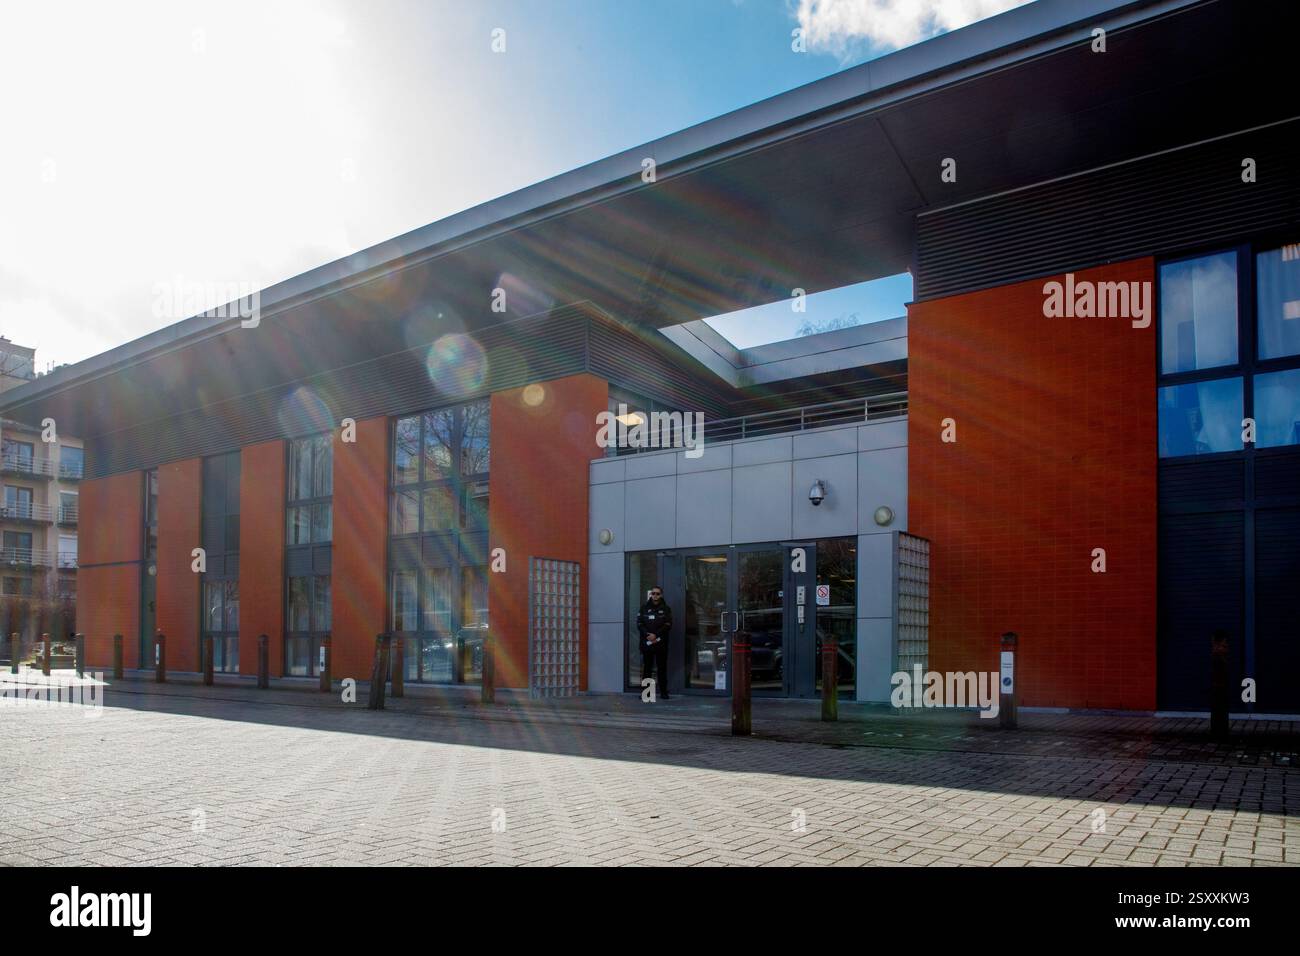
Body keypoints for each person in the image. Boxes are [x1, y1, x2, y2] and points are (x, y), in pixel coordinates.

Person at [636, 585, 673, 699]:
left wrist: (655, 635)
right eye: (653, 593)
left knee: (662, 668)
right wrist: (648, 635)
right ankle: (647, 693)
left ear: (661, 595)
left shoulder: (666, 609)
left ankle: (663, 692)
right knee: (647, 668)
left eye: (657, 594)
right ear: (651, 594)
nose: (655, 596)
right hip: (647, 643)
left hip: (660, 643)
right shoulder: (644, 608)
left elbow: (668, 625)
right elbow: (639, 623)